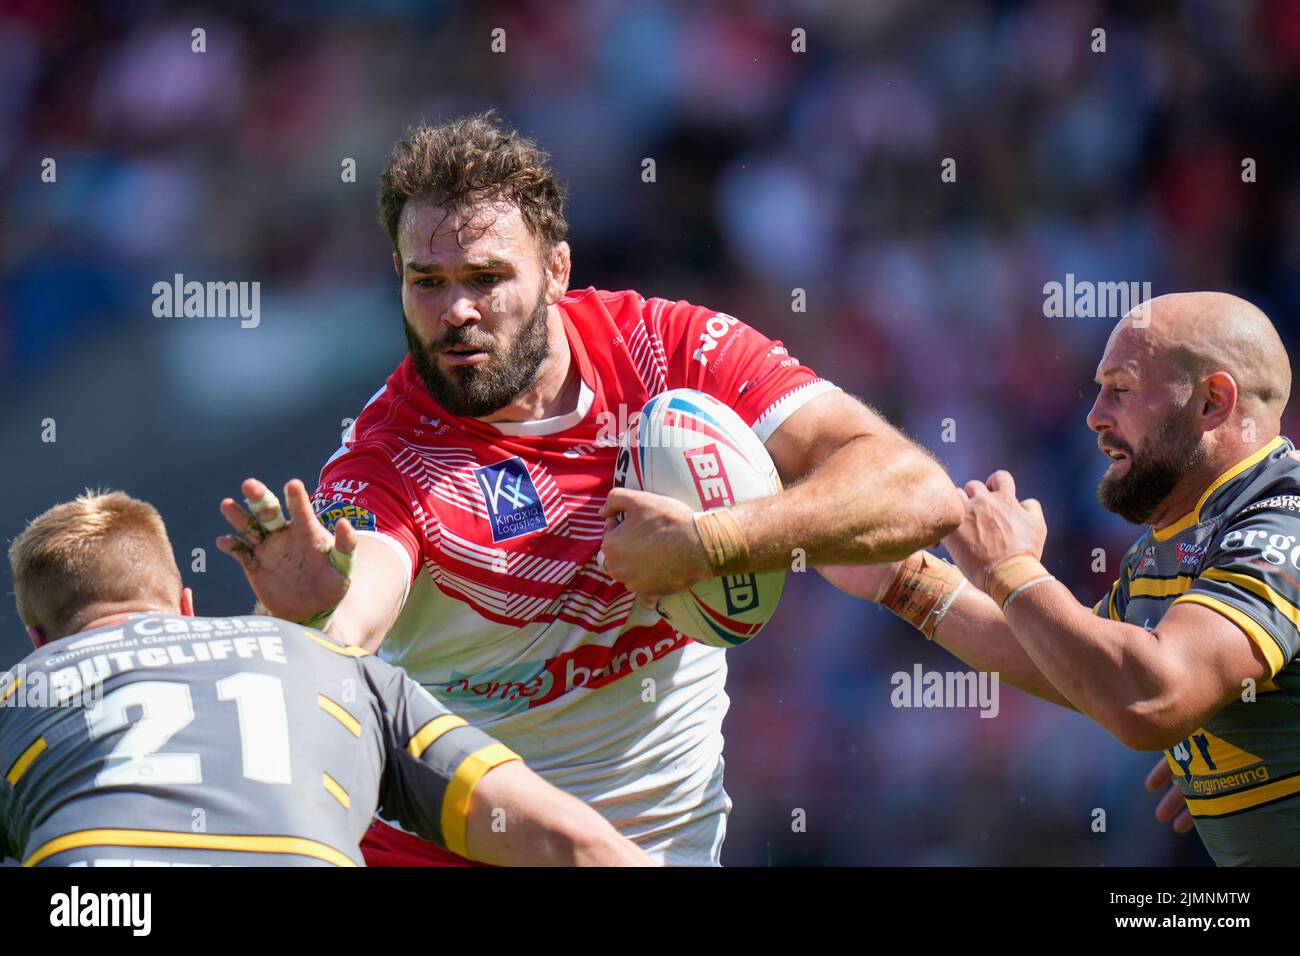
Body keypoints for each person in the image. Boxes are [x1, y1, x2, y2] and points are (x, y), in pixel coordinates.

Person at [216, 112, 966, 865]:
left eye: (486, 278)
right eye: (428, 282)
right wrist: (321, 616)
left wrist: (712, 546)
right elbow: (363, 584)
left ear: (557, 271)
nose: (457, 312)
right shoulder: (386, 454)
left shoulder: (666, 352)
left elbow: (919, 492)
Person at [824, 292, 1300, 866]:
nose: (1095, 415)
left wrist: (1011, 570)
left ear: (1212, 402)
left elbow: (1151, 696)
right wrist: (904, 580)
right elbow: (1079, 665)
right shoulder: (1172, 539)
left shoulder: (1281, 521)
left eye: (1121, 388)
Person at [1, 490, 650, 867]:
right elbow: (570, 837)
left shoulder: (17, 692)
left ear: (38, 643)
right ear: (187, 606)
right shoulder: (338, 668)